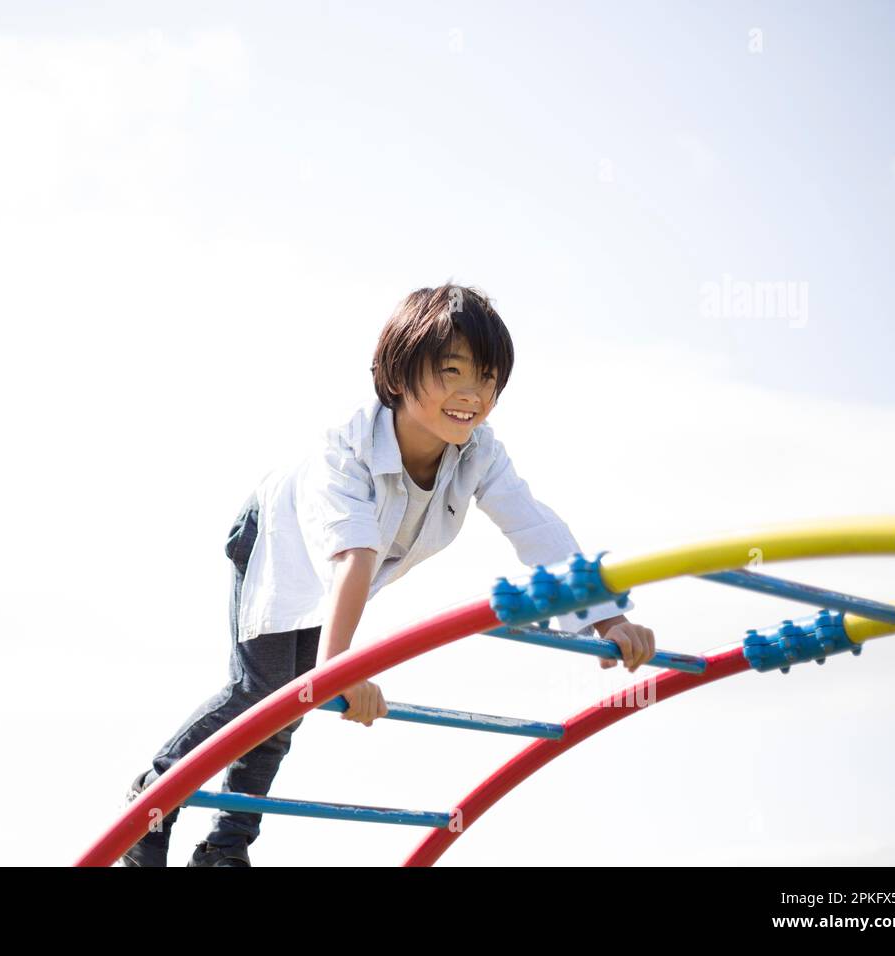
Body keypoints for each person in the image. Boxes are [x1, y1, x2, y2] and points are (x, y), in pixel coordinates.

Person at [120, 282, 656, 867]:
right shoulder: (345, 453)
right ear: (398, 375)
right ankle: (152, 802)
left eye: (488, 379)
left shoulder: (479, 452)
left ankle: (224, 847)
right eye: (452, 371)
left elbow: (534, 527)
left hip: (345, 577)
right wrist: (340, 672)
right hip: (278, 541)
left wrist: (607, 616)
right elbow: (354, 553)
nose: (470, 394)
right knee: (262, 691)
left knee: (287, 707)